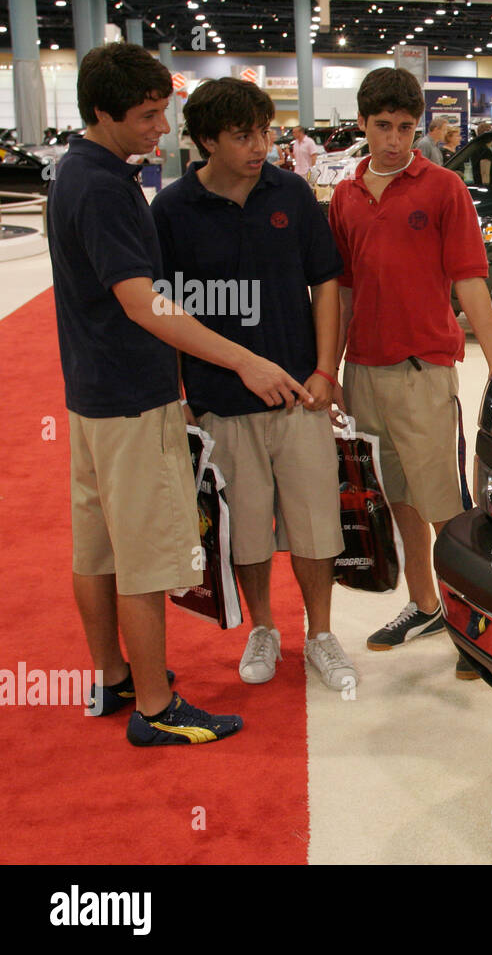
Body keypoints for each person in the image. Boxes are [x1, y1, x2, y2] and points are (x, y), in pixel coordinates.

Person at [48, 43, 310, 745]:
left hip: (92, 397)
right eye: (145, 116)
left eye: (162, 112)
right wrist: (244, 360)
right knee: (142, 555)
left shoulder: (79, 170)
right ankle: (157, 705)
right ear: (103, 112)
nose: (159, 129)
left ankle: (112, 675)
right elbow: (144, 303)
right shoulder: (104, 186)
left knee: (99, 549)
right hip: (132, 398)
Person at [151, 78, 356, 692]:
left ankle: (320, 632)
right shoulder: (172, 210)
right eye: (243, 136)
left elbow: (326, 284)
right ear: (207, 140)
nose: (259, 146)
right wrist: (183, 394)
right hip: (221, 403)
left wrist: (326, 370)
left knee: (318, 524)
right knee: (246, 528)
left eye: (264, 133)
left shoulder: (291, 193)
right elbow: (159, 308)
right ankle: (263, 627)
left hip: (299, 395)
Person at [327, 67, 492, 676]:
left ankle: (472, 618)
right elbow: (341, 292)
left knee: (445, 504)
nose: (396, 140)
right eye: (383, 127)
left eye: (406, 128)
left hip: (422, 370)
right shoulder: (345, 196)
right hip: (364, 373)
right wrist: (330, 369)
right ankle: (425, 604)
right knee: (397, 497)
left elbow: (470, 280)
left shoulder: (444, 187)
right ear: (363, 125)